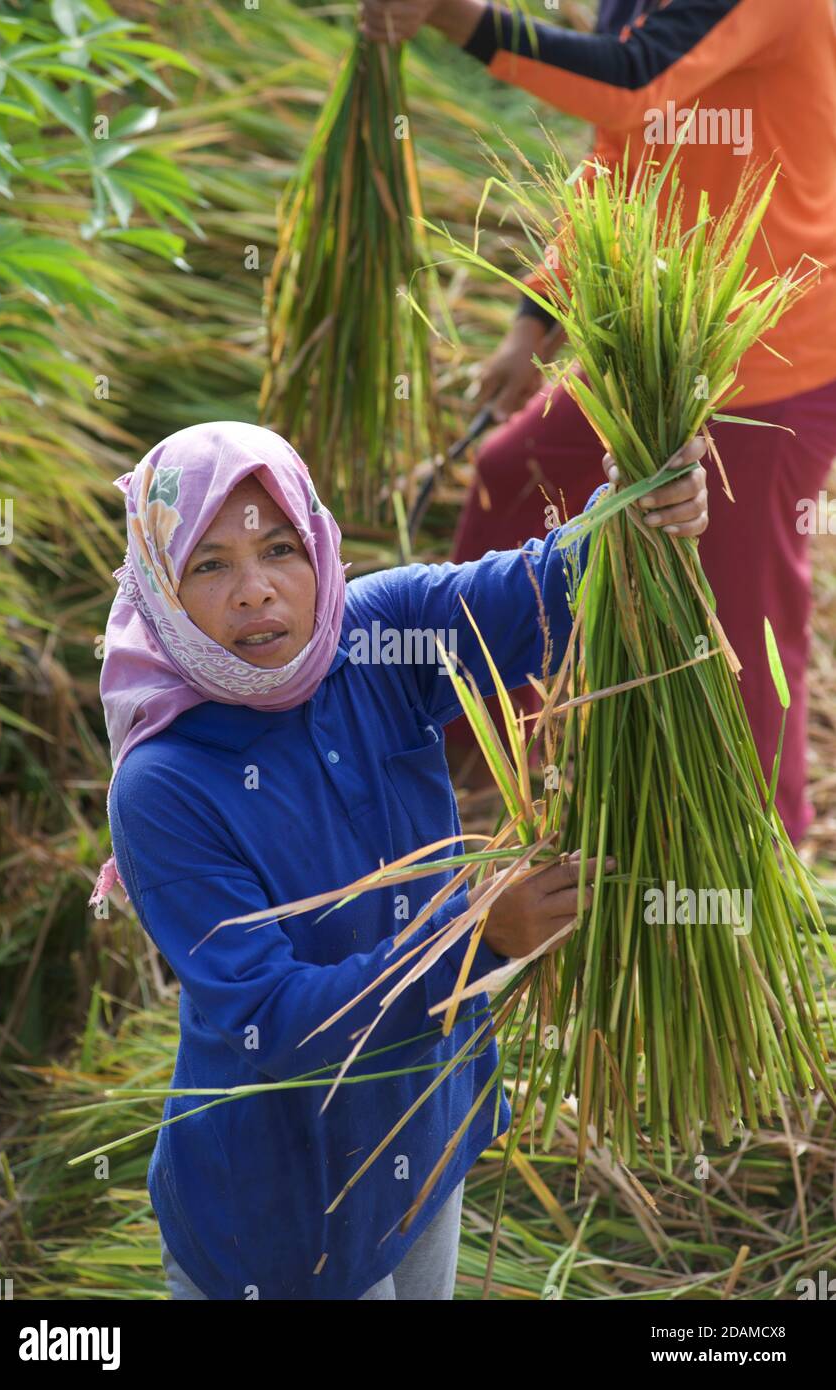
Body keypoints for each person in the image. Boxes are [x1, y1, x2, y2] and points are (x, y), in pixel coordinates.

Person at [88, 420, 708, 1300]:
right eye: (209, 564)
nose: (257, 592)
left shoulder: (373, 638)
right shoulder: (164, 784)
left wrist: (642, 509)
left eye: (278, 548)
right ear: (160, 585)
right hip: (280, 1206)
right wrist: (478, 941)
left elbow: (545, 587)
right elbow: (278, 1021)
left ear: (318, 542)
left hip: (425, 1125)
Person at [361, 0, 836, 843]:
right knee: (516, 473)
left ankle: (761, 849)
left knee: (735, 609)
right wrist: (534, 319)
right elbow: (617, 157)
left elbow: (629, 86)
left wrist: (453, 16)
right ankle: (486, 766)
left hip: (764, 353)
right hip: (646, 333)